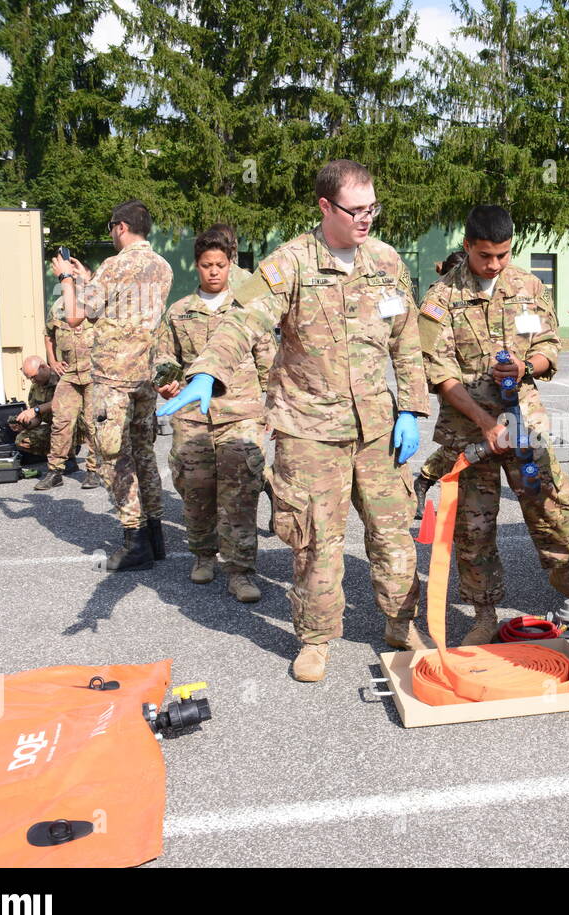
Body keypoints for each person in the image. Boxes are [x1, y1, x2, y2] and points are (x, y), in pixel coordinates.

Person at [158, 159, 430, 680]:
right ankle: (315, 638)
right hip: (309, 430)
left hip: (376, 427)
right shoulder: (289, 264)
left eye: (373, 207)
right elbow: (243, 318)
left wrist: (412, 408)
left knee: (393, 531)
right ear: (326, 206)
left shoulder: (387, 261)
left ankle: (401, 623)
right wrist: (208, 372)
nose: (367, 218)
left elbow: (407, 340)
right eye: (356, 210)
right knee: (314, 537)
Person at [418, 204, 569, 645]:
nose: (495, 264)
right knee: (474, 529)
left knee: (552, 509)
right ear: (468, 247)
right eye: (486, 256)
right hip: (471, 433)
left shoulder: (528, 285)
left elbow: (550, 345)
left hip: (525, 427)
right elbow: (439, 373)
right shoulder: (440, 299)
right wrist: (484, 422)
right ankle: (484, 614)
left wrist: (526, 366)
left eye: (503, 254)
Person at [50, 200, 174, 571]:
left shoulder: (116, 265)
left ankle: (134, 540)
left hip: (113, 378)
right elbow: (123, 304)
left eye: (110, 227)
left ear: (121, 227)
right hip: (144, 376)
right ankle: (155, 535)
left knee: (112, 457)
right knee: (144, 453)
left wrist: (67, 280)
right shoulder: (162, 266)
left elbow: (74, 316)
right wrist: (89, 280)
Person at [155, 227, 274, 603]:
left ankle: (240, 571)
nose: (213, 271)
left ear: (230, 265)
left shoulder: (248, 310)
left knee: (240, 493)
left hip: (241, 414)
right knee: (195, 488)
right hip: (192, 416)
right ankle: (204, 554)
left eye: (220, 264)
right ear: (197, 266)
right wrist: (167, 382)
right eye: (206, 265)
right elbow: (164, 357)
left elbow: (269, 362)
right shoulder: (178, 312)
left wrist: (276, 409)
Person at [412, 248, 472, 518]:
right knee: (457, 443)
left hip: (481, 381)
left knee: (476, 442)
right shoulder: (437, 298)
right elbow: (428, 346)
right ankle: (425, 479)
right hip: (451, 382)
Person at [36, 299, 100, 489]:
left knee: (93, 423)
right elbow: (49, 334)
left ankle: (94, 471)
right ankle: (55, 471)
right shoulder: (57, 306)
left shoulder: (95, 303)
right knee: (60, 422)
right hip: (69, 373)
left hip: (93, 374)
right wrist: (52, 361)